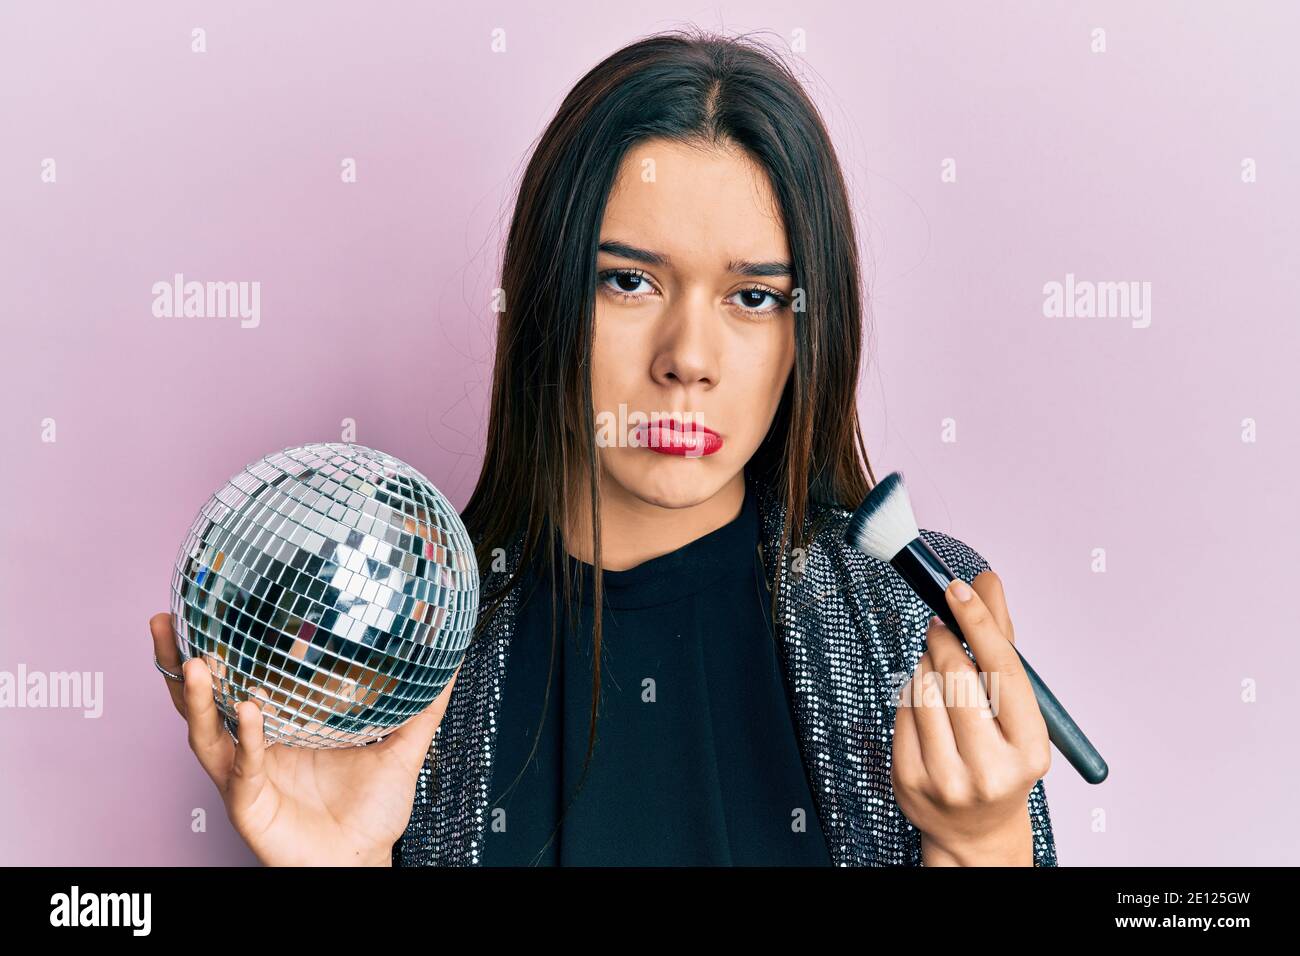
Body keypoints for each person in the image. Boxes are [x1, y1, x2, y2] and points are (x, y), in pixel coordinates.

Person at [149, 28, 1057, 867]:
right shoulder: (410, 665)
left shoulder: (911, 625)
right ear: (545, 302)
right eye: (628, 281)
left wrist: (983, 844)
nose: (687, 361)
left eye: (753, 298)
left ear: (807, 331)